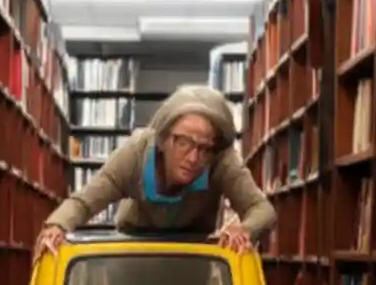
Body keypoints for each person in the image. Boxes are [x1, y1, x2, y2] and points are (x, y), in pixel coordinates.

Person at [34, 83, 276, 261]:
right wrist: (56, 226)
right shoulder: (136, 152)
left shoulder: (222, 160)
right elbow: (85, 200)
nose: (193, 158)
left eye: (204, 148)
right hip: (134, 248)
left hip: (192, 255)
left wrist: (244, 229)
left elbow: (263, 210)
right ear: (162, 139)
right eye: (183, 142)